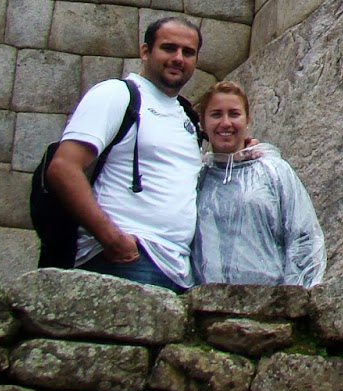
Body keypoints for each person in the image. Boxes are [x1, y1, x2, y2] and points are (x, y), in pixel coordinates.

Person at [44, 17, 205, 292]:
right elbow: (63, 167)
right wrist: (112, 238)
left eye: (187, 52)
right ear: (145, 52)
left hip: (179, 271)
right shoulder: (117, 94)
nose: (178, 58)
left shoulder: (187, 117)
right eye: (169, 48)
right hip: (125, 259)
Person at [192, 80, 325, 286]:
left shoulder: (275, 171)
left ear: (247, 120)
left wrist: (295, 297)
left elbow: (303, 236)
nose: (226, 123)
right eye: (216, 114)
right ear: (203, 123)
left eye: (234, 114)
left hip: (268, 303)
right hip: (207, 304)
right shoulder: (197, 178)